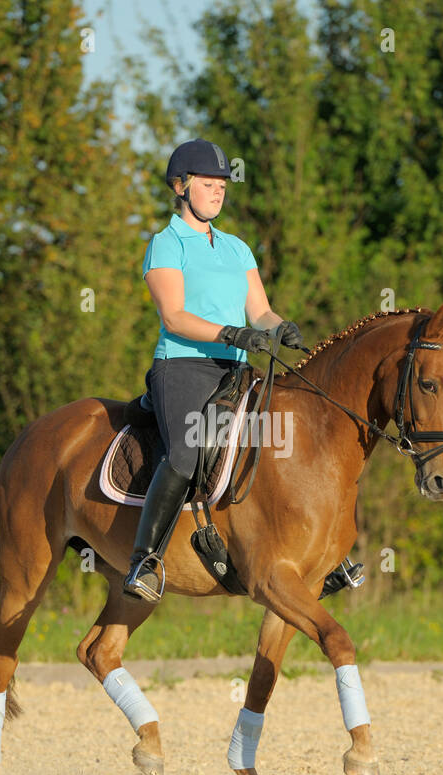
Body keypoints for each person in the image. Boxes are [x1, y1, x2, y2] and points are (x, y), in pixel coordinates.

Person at [123, 138, 363, 603]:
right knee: (188, 452)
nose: (218, 192)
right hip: (183, 367)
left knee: (291, 439)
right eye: (209, 184)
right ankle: (145, 561)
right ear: (181, 186)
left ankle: (317, 554)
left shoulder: (236, 248)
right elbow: (174, 317)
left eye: (222, 185)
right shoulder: (166, 244)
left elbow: (261, 312)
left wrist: (280, 328)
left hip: (234, 371)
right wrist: (231, 335)